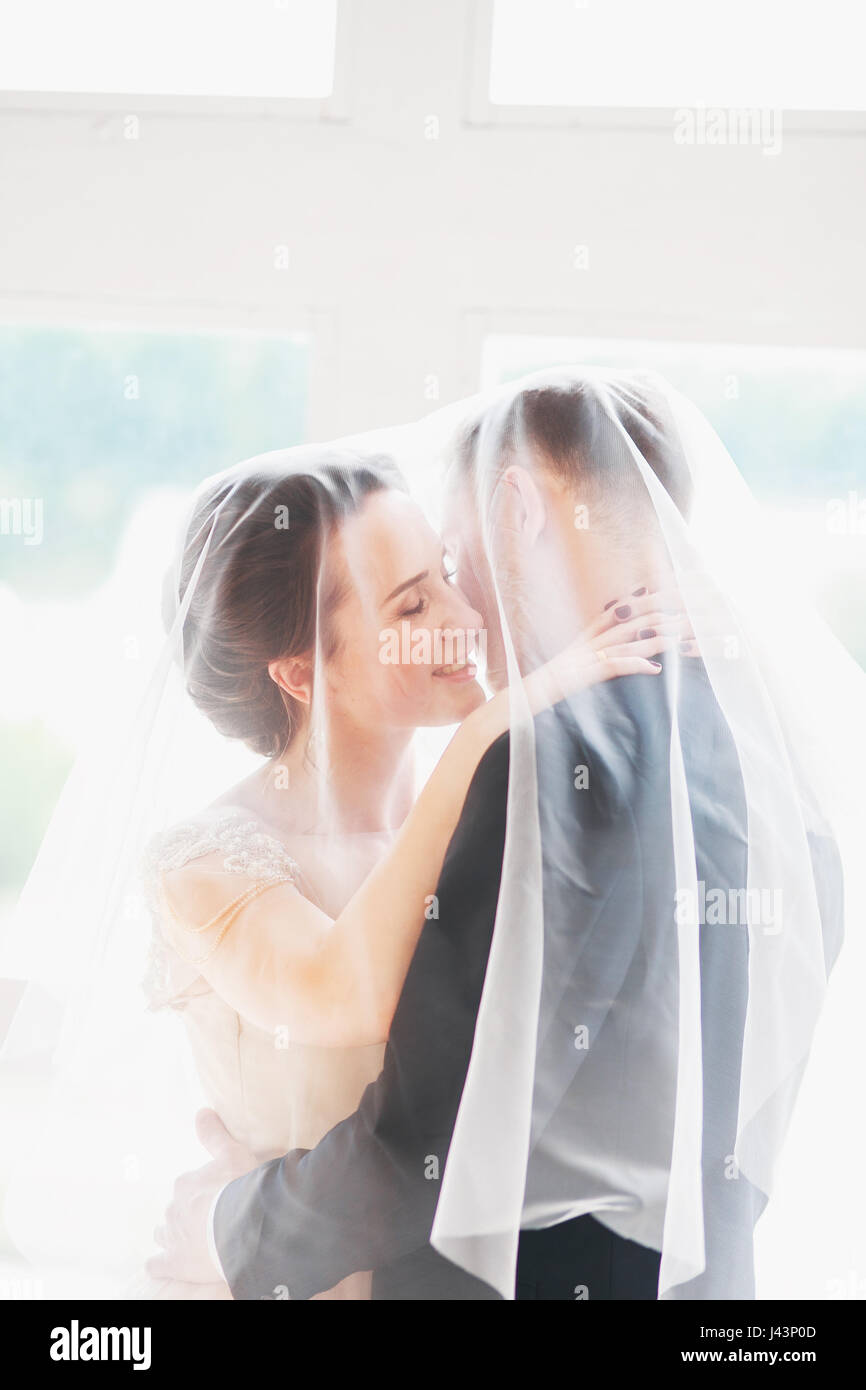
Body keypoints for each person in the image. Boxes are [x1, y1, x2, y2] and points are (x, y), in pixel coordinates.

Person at [149, 370, 847, 1300]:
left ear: (516, 505)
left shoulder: (549, 767)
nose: (464, 608)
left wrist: (233, 1231)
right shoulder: (777, 757)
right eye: (415, 597)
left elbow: (431, 1135)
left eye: (453, 559)